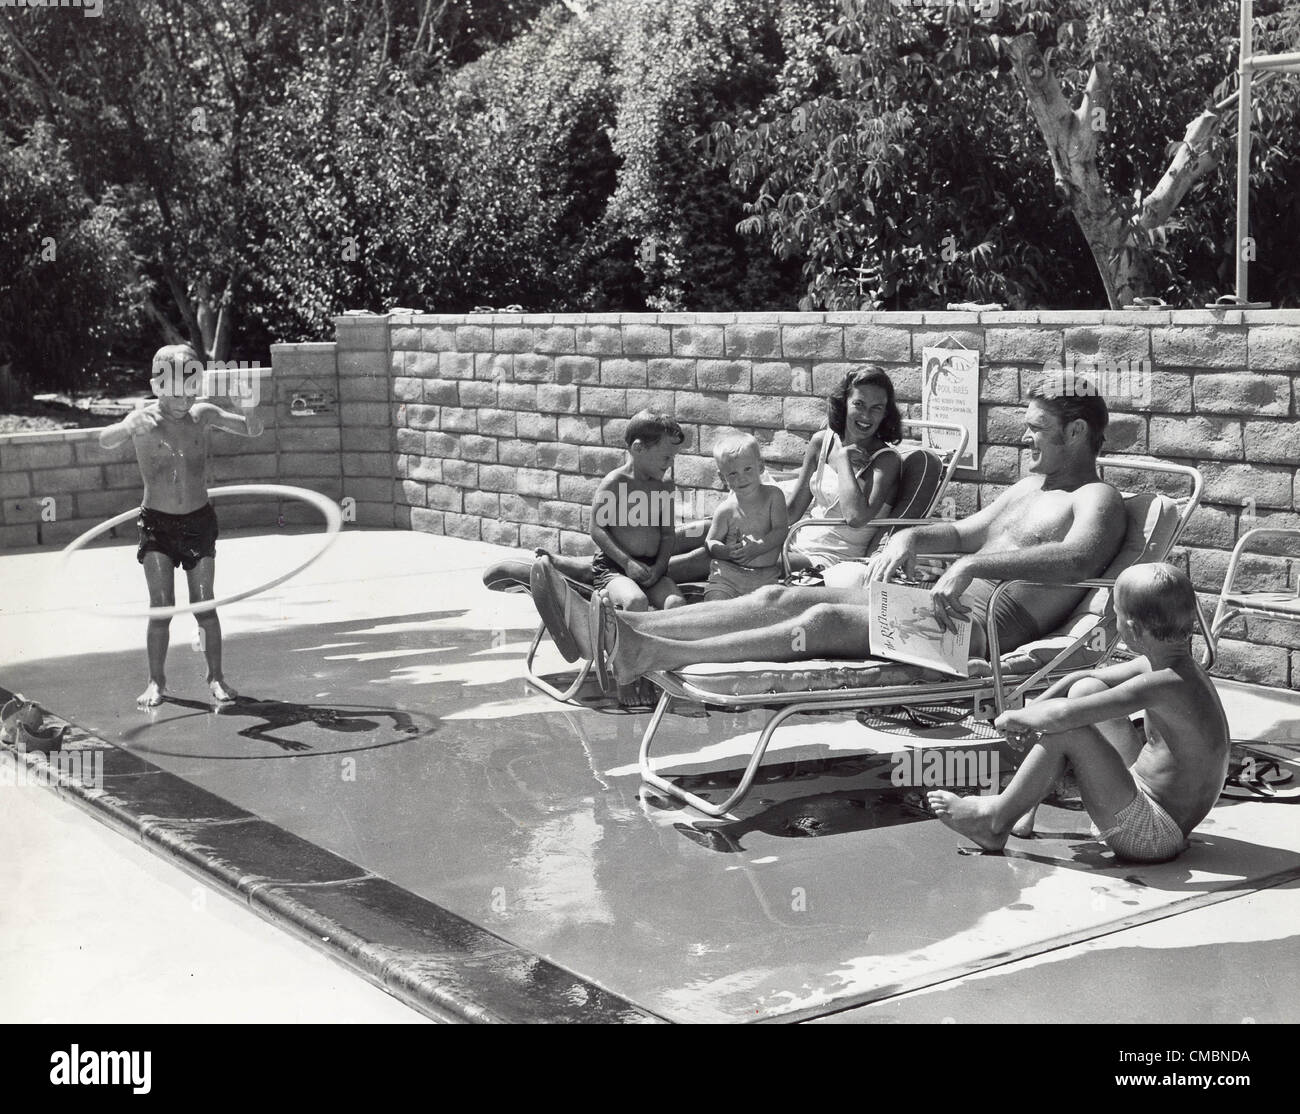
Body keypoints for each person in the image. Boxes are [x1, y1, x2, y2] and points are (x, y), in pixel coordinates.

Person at [530, 378, 1127, 689]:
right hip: (934, 606)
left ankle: (647, 652)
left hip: (979, 632)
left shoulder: (1097, 498)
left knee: (819, 624)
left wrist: (971, 568)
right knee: (777, 597)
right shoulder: (1029, 489)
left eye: (1038, 430)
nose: (1027, 440)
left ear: (1077, 435)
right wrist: (915, 539)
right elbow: (967, 531)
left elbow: (1079, 560)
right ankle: (622, 628)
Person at [929, 563, 1230, 863]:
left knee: (1070, 731)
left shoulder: (1165, 684)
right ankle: (1020, 804)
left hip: (1150, 835)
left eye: (1116, 615)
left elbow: (1064, 717)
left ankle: (994, 821)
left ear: (1134, 629)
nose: (1115, 622)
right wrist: (1032, 707)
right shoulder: (1171, 667)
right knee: (1087, 688)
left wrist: (1012, 719)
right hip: (1151, 806)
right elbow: (1078, 679)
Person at [98, 344, 264, 708]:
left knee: (205, 603)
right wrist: (125, 425)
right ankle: (156, 681)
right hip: (157, 525)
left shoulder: (202, 415)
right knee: (161, 605)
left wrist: (249, 407)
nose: (186, 396)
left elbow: (252, 431)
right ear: (157, 386)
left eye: (192, 387)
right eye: (177, 389)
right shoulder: (143, 419)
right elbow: (104, 440)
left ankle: (216, 677)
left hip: (198, 521)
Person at [785, 366, 903, 588]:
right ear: (844, 403)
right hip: (795, 544)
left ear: (886, 413)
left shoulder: (886, 460)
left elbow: (855, 517)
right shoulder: (821, 442)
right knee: (715, 552)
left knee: (754, 564)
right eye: (859, 404)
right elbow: (792, 512)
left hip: (832, 559)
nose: (866, 416)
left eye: (876, 408)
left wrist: (842, 459)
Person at [583, 409, 687, 611]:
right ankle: (624, 641)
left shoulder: (664, 486)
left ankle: (661, 643)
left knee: (676, 604)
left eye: (673, 457)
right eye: (666, 457)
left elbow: (667, 534)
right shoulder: (616, 482)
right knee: (635, 601)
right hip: (616, 568)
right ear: (638, 448)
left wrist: (659, 567)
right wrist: (627, 562)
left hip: (651, 568)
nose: (671, 463)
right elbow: (597, 529)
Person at [703, 432, 789, 601]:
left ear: (761, 467)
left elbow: (781, 530)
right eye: (733, 474)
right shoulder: (726, 509)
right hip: (728, 576)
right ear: (722, 477)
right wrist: (725, 551)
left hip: (765, 577)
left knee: (772, 609)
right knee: (715, 602)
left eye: (747, 469)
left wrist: (758, 547)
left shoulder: (773, 496)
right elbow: (709, 542)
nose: (742, 477)